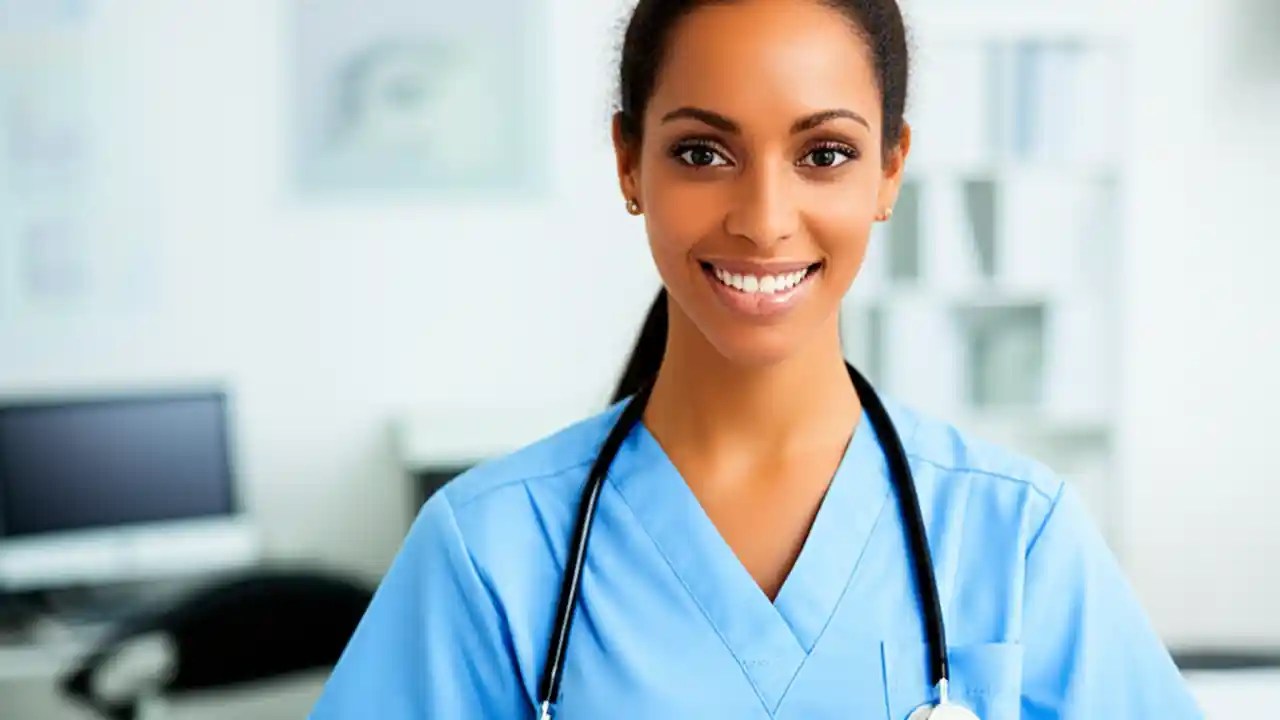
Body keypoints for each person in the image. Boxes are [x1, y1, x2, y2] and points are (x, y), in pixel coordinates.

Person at [309, 1, 1204, 717]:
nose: (764, 219)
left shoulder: (1017, 540)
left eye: (825, 154)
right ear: (629, 163)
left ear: (890, 168)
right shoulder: (488, 556)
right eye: (703, 153)